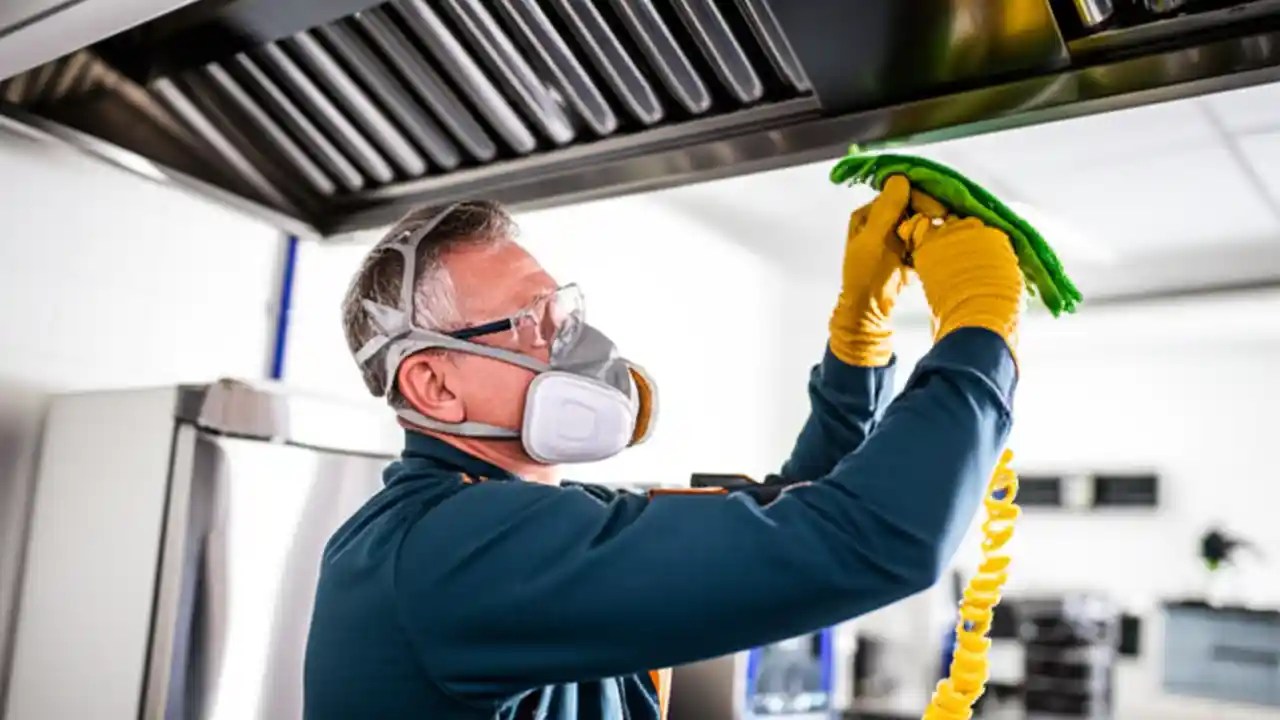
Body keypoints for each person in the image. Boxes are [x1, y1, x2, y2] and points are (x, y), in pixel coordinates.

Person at [303, 176, 1024, 719]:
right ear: (433, 385)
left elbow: (792, 508)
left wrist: (857, 344)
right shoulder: (456, 550)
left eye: (565, 310)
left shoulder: (527, 519)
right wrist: (980, 330)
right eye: (533, 320)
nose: (573, 341)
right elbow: (874, 535)